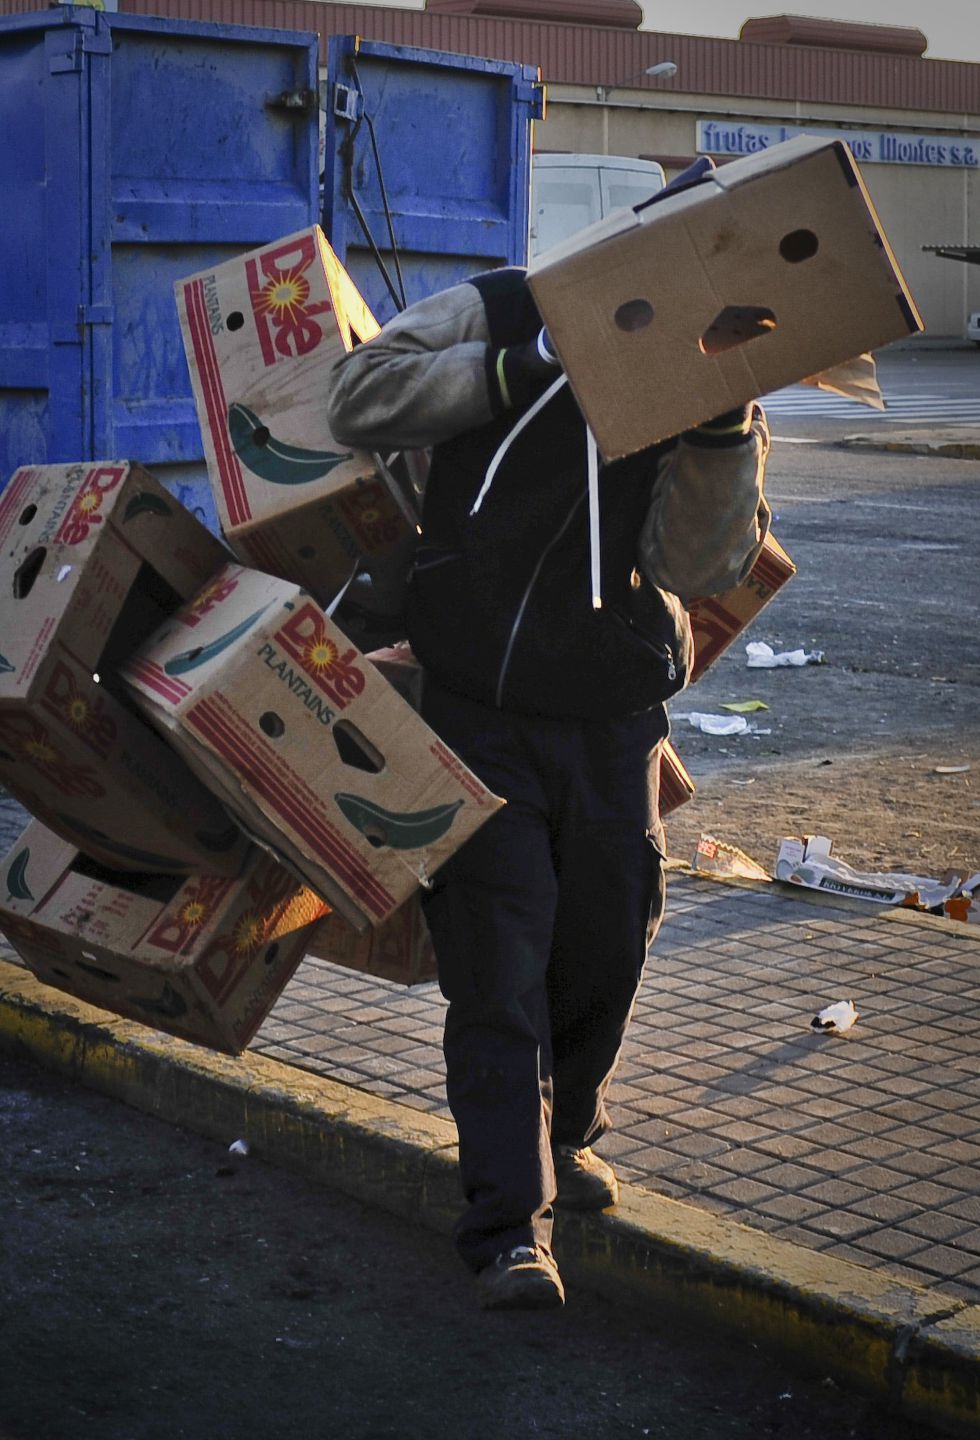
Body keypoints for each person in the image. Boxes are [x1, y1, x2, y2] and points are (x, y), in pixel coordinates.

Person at [326, 262, 771, 1311]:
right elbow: (359, 395)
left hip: (614, 719)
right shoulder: (511, 302)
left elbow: (699, 566)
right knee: (498, 961)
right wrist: (518, 362)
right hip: (478, 707)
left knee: (608, 940)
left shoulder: (720, 366)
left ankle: (566, 1133)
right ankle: (508, 1231)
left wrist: (721, 418)